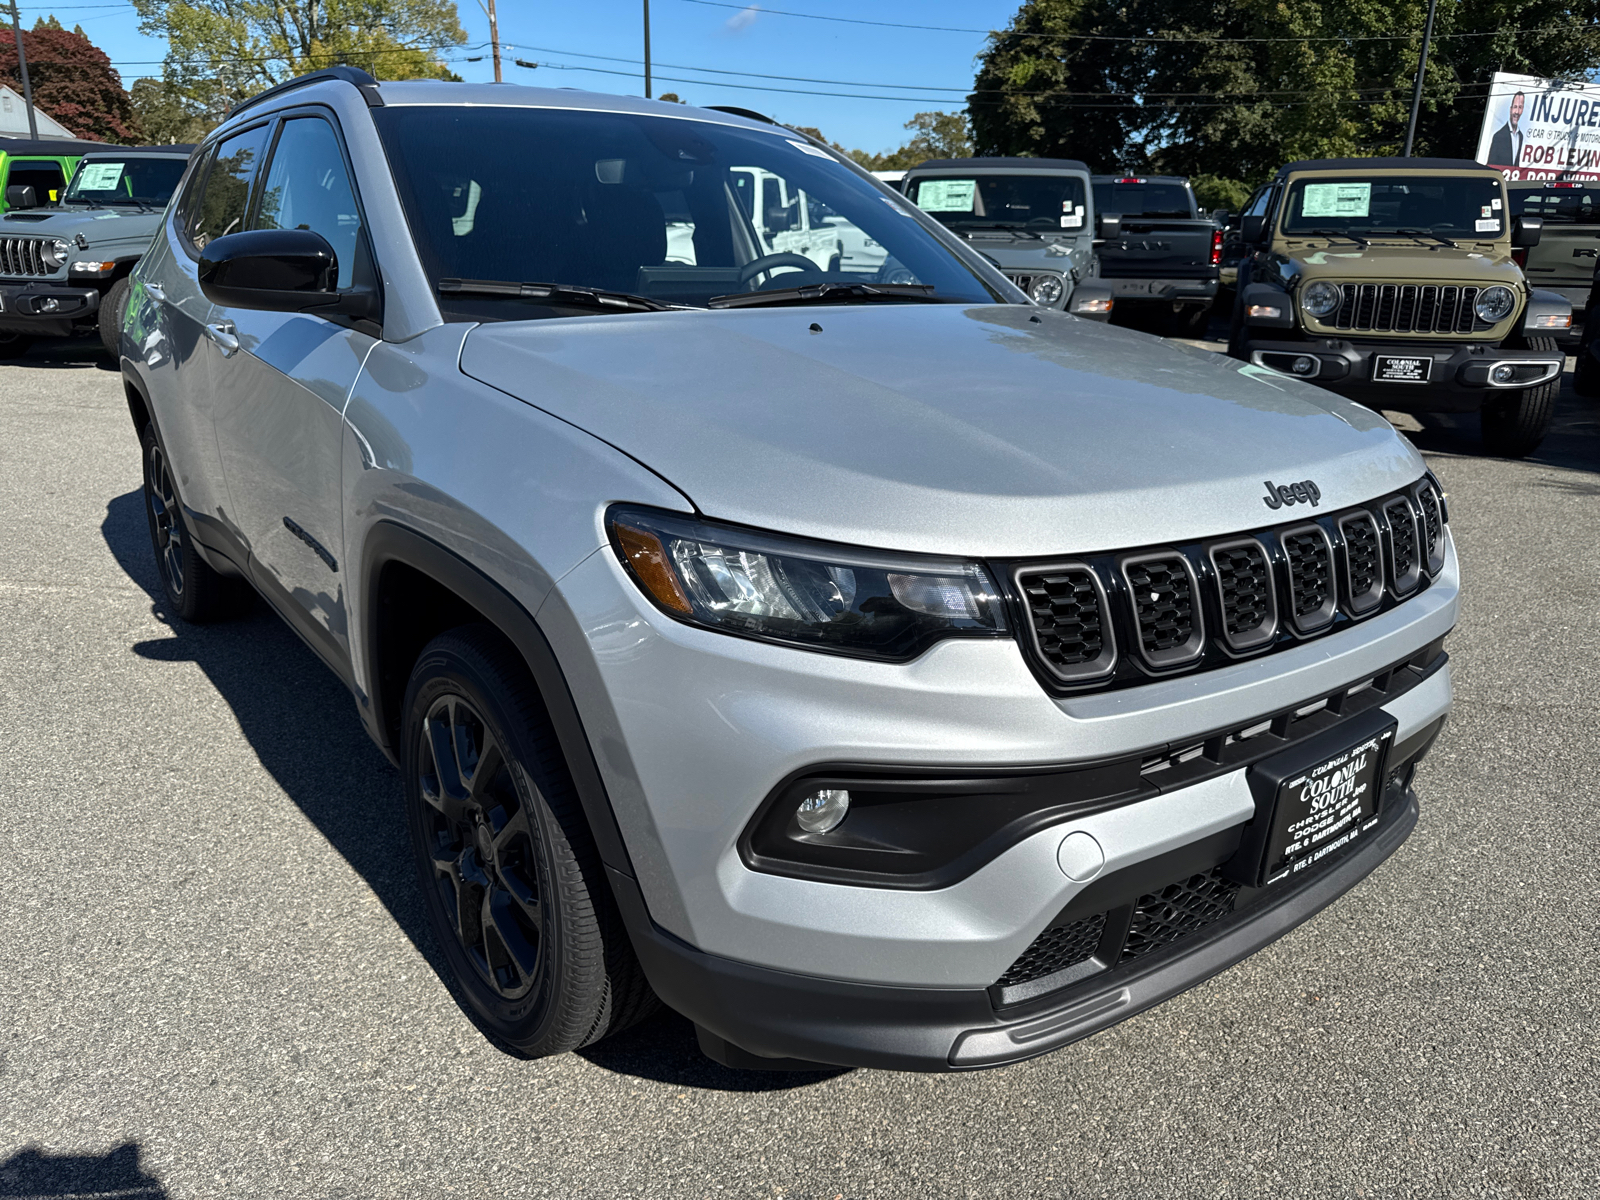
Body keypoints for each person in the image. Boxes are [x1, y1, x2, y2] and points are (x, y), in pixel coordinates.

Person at [1489, 91, 1527, 169]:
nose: (1516, 112)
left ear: (1522, 109)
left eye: (1520, 107)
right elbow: (1491, 164)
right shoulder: (1498, 136)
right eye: (1515, 107)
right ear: (1511, 109)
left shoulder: (1520, 136)